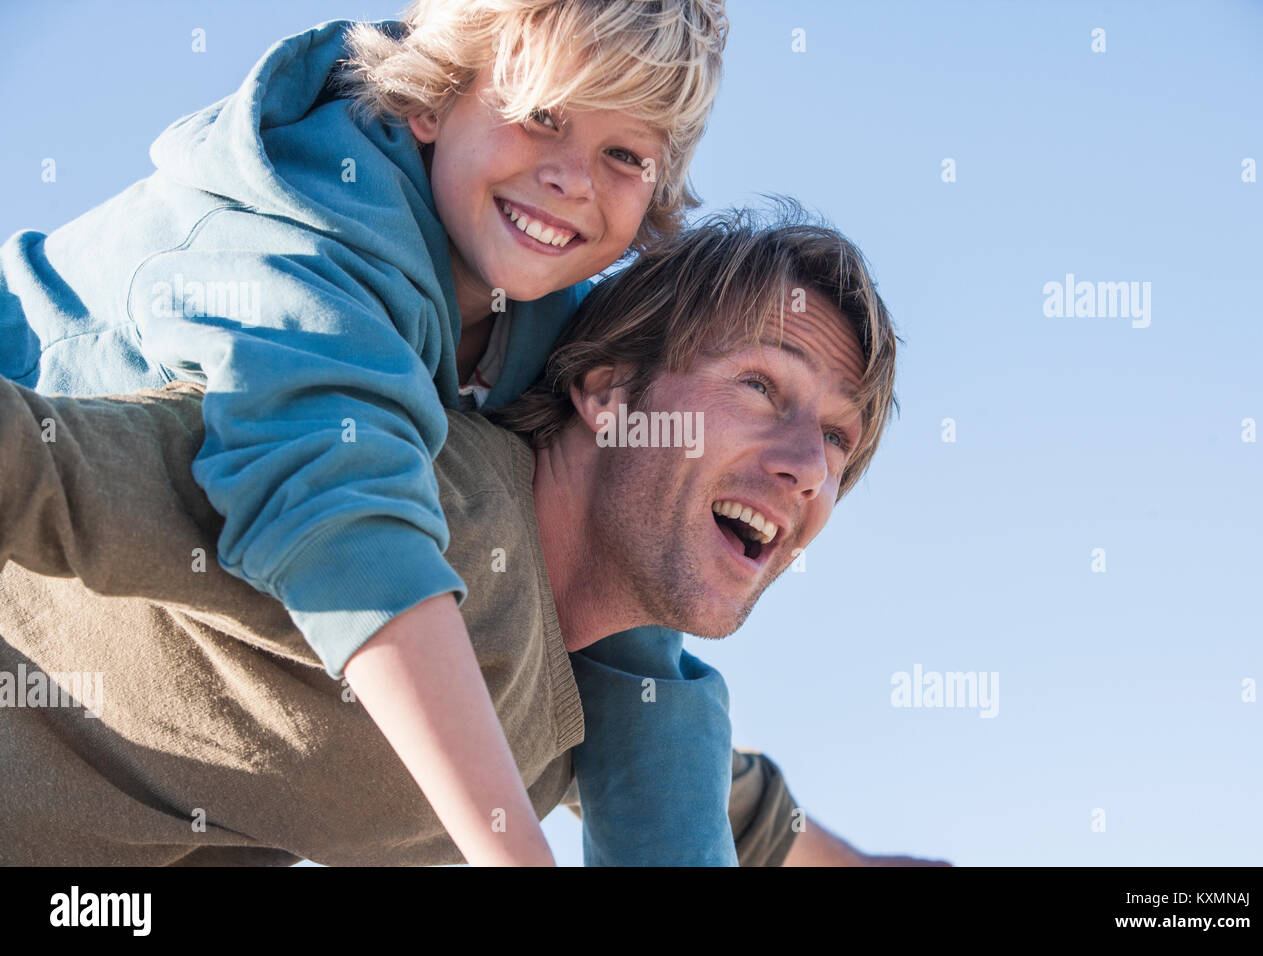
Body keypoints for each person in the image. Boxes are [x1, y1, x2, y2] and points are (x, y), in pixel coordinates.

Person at [0, 2, 741, 865]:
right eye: (541, 115)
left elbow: (632, 657)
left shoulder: (547, 328)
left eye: (624, 155)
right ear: (432, 100)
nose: (572, 178)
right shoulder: (299, 233)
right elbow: (345, 517)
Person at [0, 207, 941, 867]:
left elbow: (726, 796)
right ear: (609, 395)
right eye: (761, 388)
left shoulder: (588, 698)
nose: (807, 466)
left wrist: (854, 863)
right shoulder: (394, 493)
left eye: (836, 439)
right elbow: (41, 471)